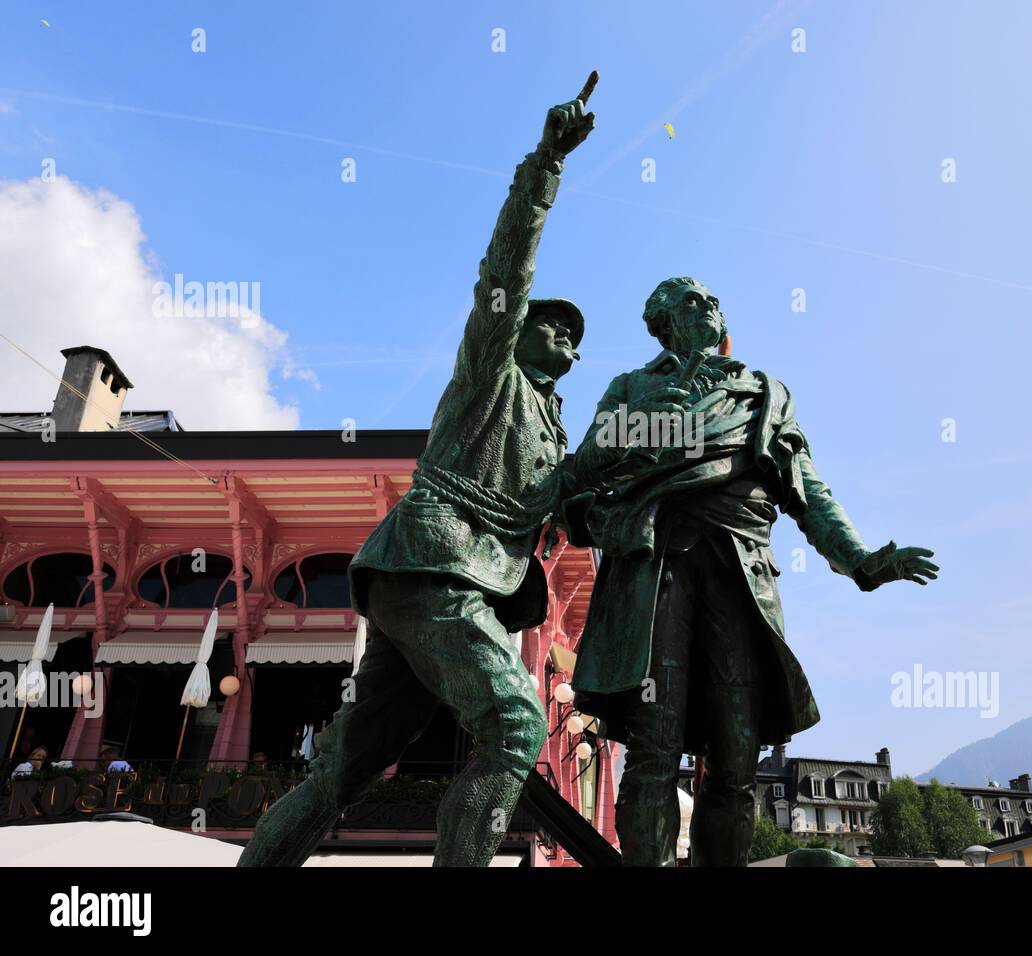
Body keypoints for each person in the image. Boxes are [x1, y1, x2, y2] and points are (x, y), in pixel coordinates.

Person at [239, 79, 596, 868]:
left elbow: (575, 508)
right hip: (434, 561)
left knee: (342, 769)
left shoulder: (549, 430)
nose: (569, 340)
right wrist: (544, 168)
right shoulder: (489, 374)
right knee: (516, 724)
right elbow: (505, 269)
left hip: (442, 581)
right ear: (524, 327)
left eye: (578, 338)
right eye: (556, 325)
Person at [567, 277, 939, 866]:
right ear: (662, 320)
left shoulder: (763, 393)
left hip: (742, 575)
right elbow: (582, 468)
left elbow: (809, 491)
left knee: (737, 758)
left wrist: (861, 560)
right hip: (656, 568)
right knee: (654, 747)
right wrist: (636, 424)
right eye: (692, 299)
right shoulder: (633, 386)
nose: (709, 306)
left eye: (713, 300)